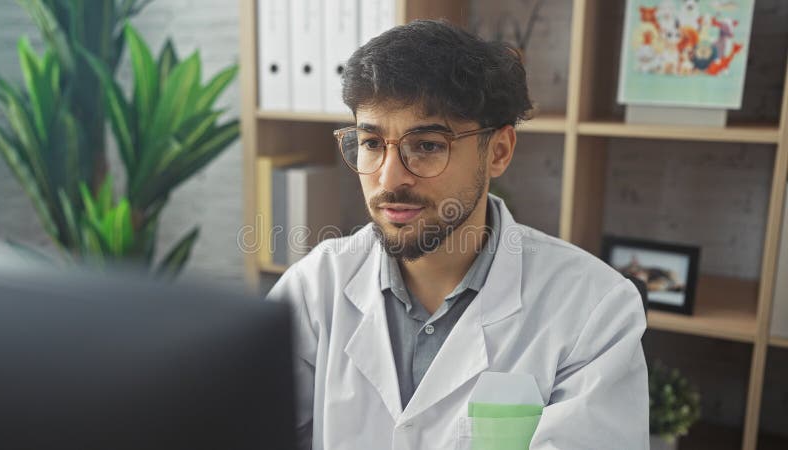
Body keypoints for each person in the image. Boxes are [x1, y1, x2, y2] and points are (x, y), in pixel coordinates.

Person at [266, 19, 649, 450]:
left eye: (427, 145)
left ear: (498, 152)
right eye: (371, 143)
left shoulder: (594, 311)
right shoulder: (314, 288)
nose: (389, 179)